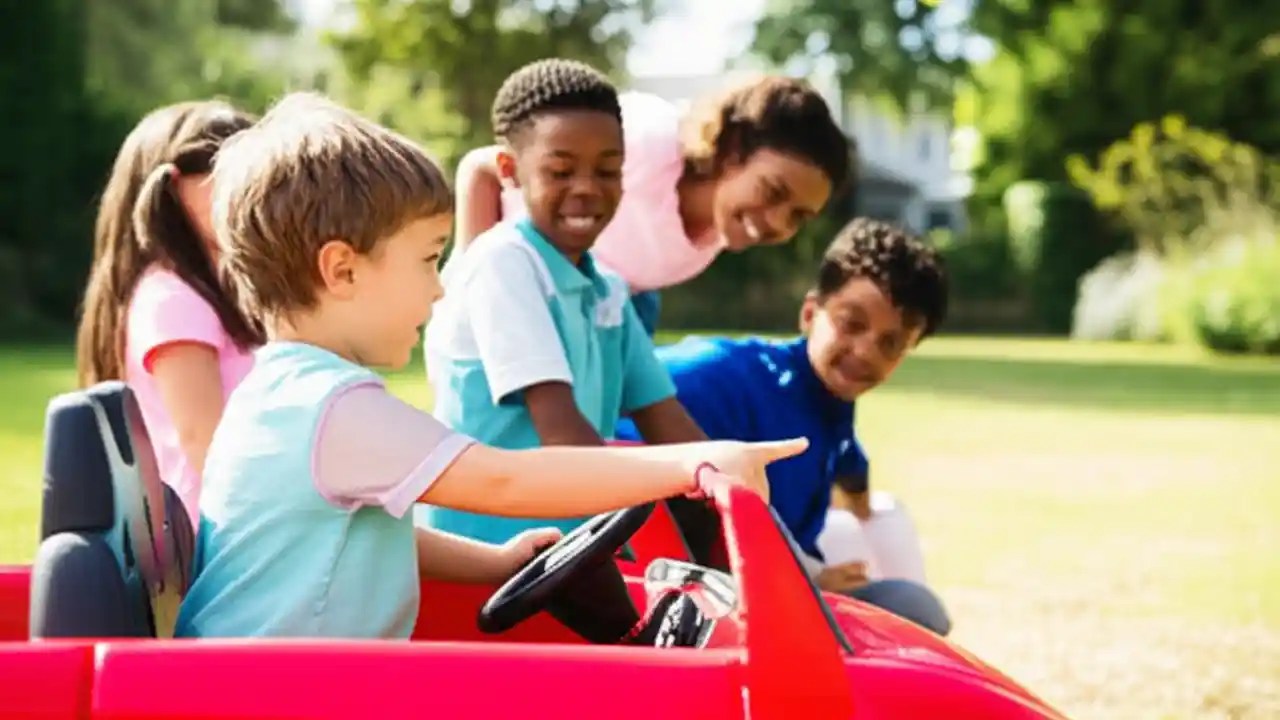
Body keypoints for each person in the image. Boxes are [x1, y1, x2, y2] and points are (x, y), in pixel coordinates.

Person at [173, 91, 806, 640]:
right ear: (342, 270)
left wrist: (496, 561)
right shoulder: (335, 411)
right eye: (427, 260)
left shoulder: (285, 393)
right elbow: (505, 480)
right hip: (274, 694)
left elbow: (367, 536)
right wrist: (692, 465)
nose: (441, 289)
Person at [420, 59, 719, 549]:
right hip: (488, 561)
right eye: (560, 170)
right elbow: (562, 432)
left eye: (607, 170)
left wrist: (726, 478)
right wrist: (681, 474)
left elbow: (664, 419)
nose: (586, 188)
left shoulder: (607, 288)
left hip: (576, 550)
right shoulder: (503, 265)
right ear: (510, 171)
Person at [618, 218, 952, 635]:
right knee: (913, 611)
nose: (865, 351)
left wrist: (860, 507)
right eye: (852, 324)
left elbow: (848, 460)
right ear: (811, 312)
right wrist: (809, 576)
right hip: (693, 586)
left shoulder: (830, 403)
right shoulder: (725, 374)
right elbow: (626, 408)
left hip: (767, 580)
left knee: (909, 592)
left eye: (891, 343)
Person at [452, 72, 851, 335]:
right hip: (511, 294)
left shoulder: (712, 237)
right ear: (732, 149)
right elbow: (481, 167)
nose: (778, 223)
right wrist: (473, 288)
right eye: (773, 192)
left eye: (799, 215)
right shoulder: (644, 141)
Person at [75, 101, 263, 526]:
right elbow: (205, 444)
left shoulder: (205, 294)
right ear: (174, 187)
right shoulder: (174, 299)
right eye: (236, 176)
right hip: (217, 543)